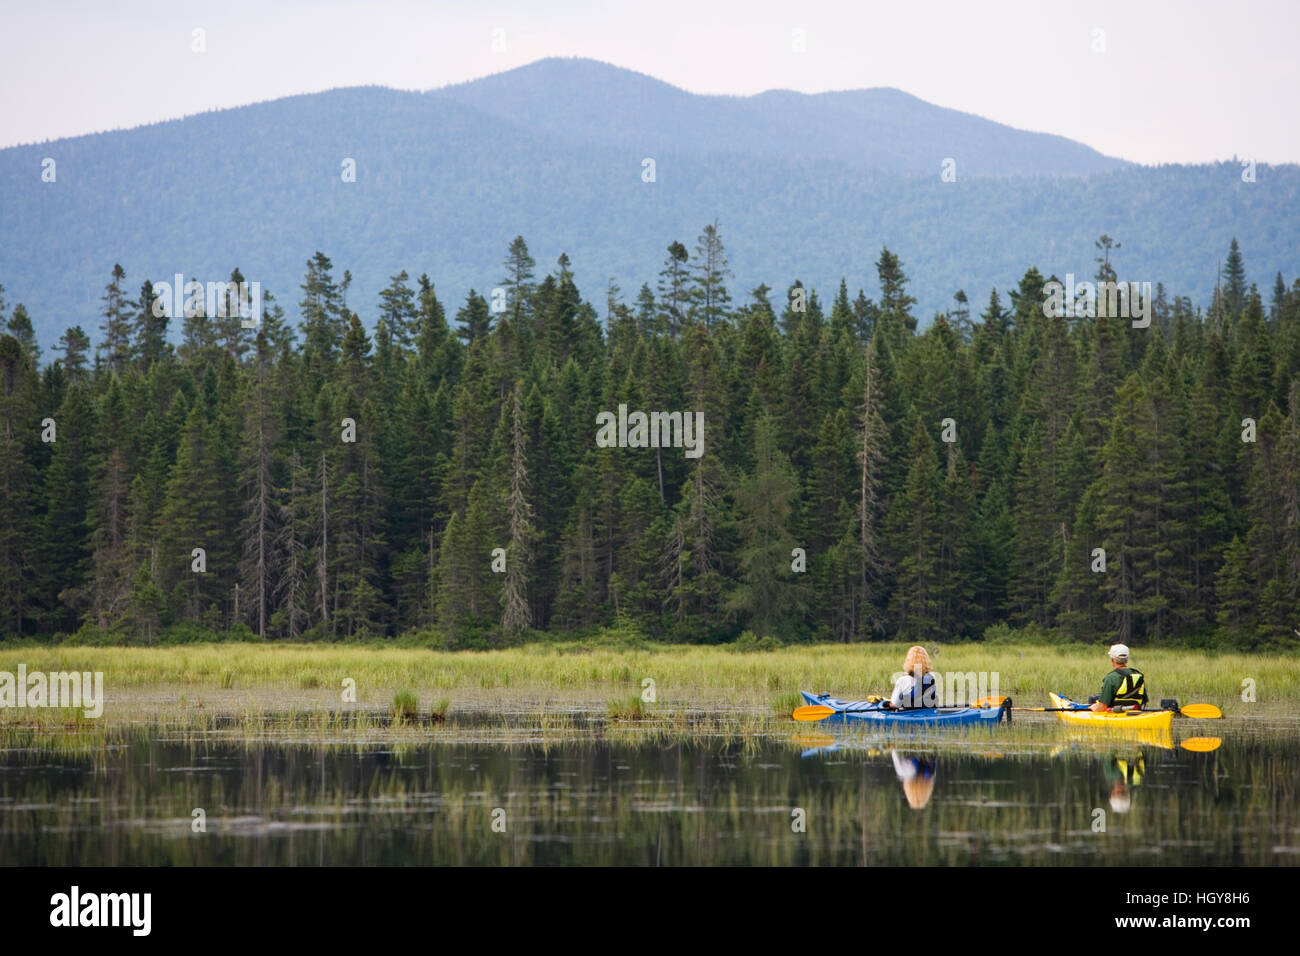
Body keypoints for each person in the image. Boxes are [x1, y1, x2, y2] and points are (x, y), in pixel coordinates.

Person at [1089, 644, 1148, 712]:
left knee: (1092, 700)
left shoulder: (1111, 678)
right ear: (1127, 659)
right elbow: (1143, 701)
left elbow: (1102, 707)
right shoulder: (1138, 675)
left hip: (1116, 713)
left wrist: (1091, 708)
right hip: (1135, 713)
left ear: (1112, 660)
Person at [887, 645, 937, 709]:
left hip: (910, 714)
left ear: (908, 661)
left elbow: (895, 705)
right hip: (929, 713)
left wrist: (889, 704)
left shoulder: (903, 680)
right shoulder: (933, 677)